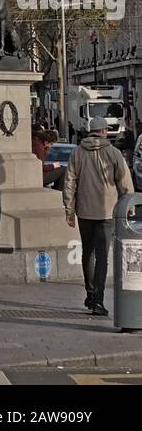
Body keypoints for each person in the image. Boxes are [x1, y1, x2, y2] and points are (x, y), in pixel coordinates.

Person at [62, 123, 133, 316]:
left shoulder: (77, 152)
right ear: (103, 131)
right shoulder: (113, 153)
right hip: (107, 212)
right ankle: (98, 301)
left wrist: (69, 209)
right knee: (102, 256)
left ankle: (90, 293)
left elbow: (69, 182)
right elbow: (124, 181)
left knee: (88, 252)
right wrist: (130, 206)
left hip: (84, 211)